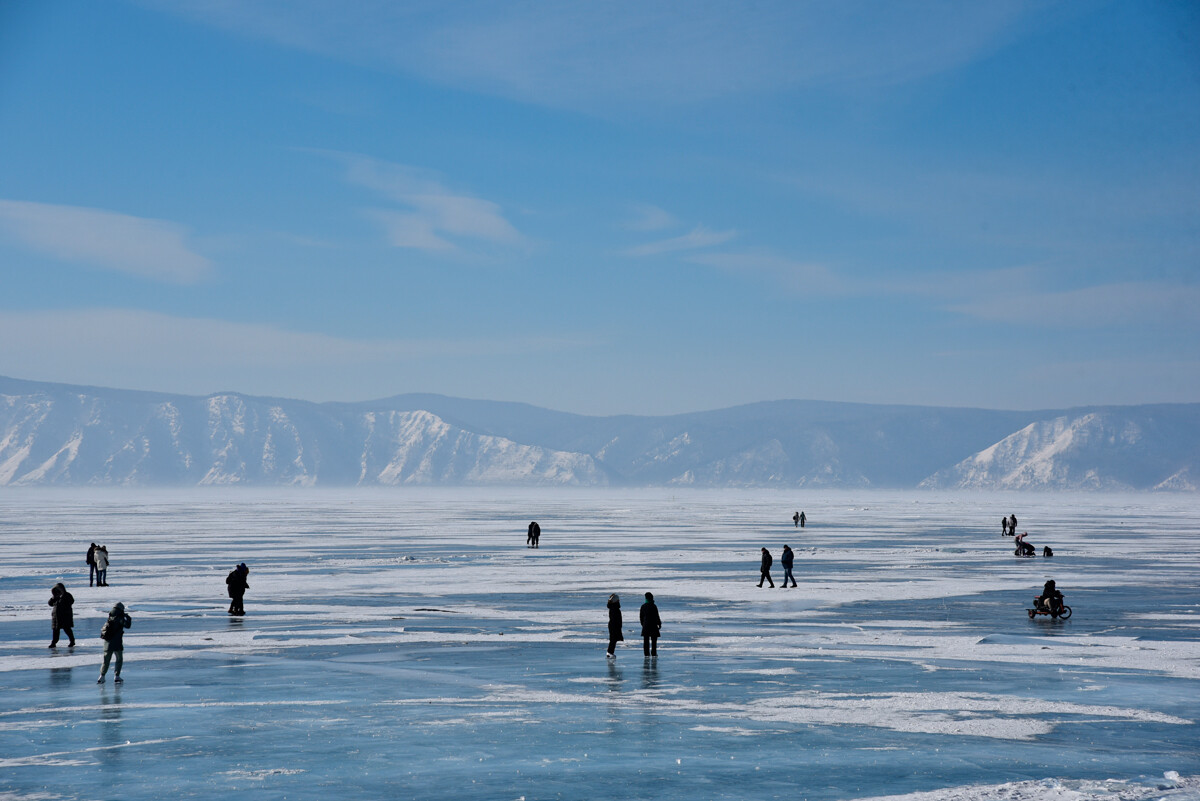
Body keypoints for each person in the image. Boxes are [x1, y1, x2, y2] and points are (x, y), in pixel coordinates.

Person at [97, 602, 131, 683]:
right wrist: (128, 618)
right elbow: (127, 626)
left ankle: (102, 676)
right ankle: (117, 676)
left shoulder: (110, 617)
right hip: (117, 643)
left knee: (106, 660)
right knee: (119, 659)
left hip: (107, 643)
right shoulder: (119, 618)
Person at [49, 583, 75, 648]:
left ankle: (72, 641)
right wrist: (53, 597)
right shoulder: (56, 596)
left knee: (67, 629)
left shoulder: (67, 595)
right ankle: (54, 643)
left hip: (65, 616)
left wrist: (63, 596)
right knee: (55, 630)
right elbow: (50, 603)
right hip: (56, 616)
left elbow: (71, 601)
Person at [639, 592, 662, 656]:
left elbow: (641, 617)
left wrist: (643, 624)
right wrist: (659, 623)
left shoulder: (643, 606)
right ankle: (654, 653)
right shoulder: (653, 606)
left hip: (646, 626)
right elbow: (657, 616)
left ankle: (646, 653)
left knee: (646, 641)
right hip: (653, 626)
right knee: (654, 641)